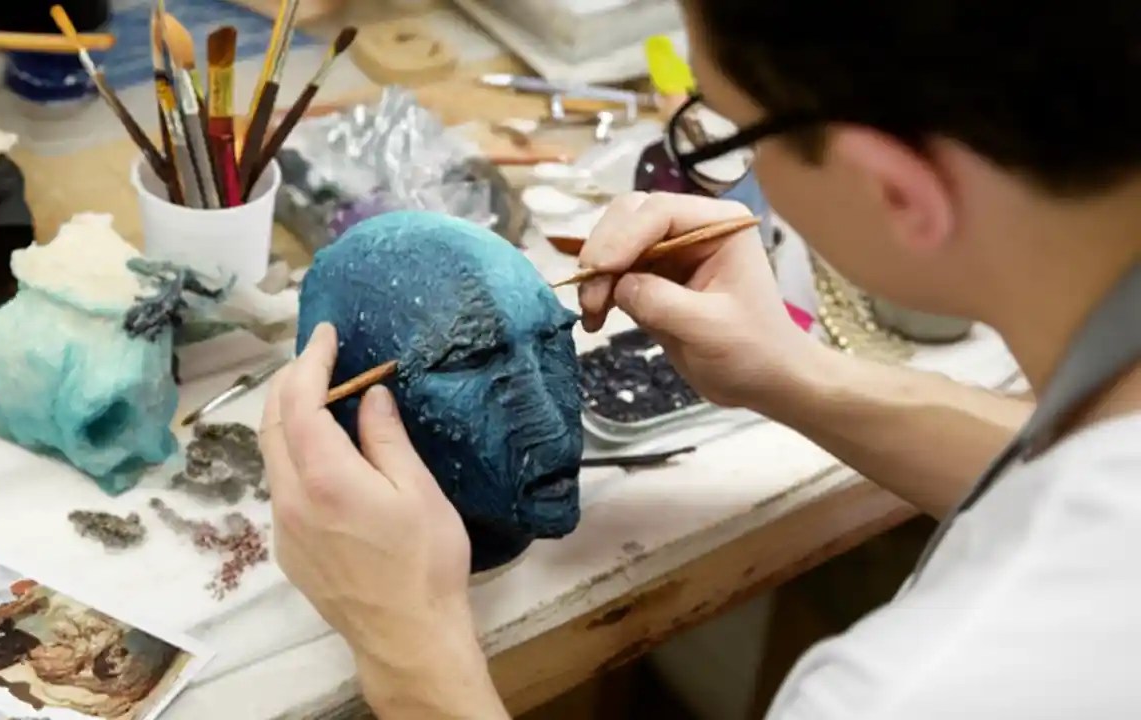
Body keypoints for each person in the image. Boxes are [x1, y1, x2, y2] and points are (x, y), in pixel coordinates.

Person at [257, 1, 1141, 717]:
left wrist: (411, 656)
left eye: (726, 136)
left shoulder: (923, 691)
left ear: (897, 188)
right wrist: (794, 372)